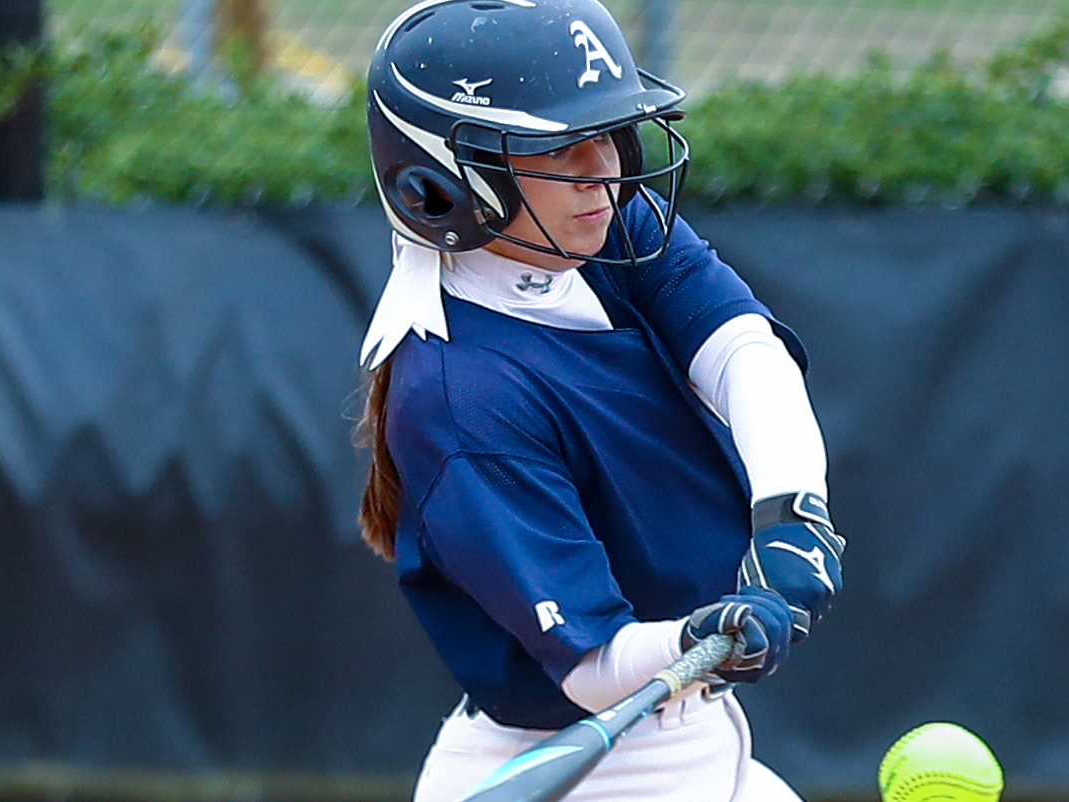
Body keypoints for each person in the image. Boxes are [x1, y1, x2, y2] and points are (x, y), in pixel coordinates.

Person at [354, 1, 842, 799]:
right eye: (556, 146)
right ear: (442, 182)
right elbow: (591, 668)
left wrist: (790, 509)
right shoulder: (459, 396)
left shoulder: (594, 225)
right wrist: (699, 636)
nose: (601, 171)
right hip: (594, 768)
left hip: (698, 739)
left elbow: (743, 350)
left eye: (608, 134)